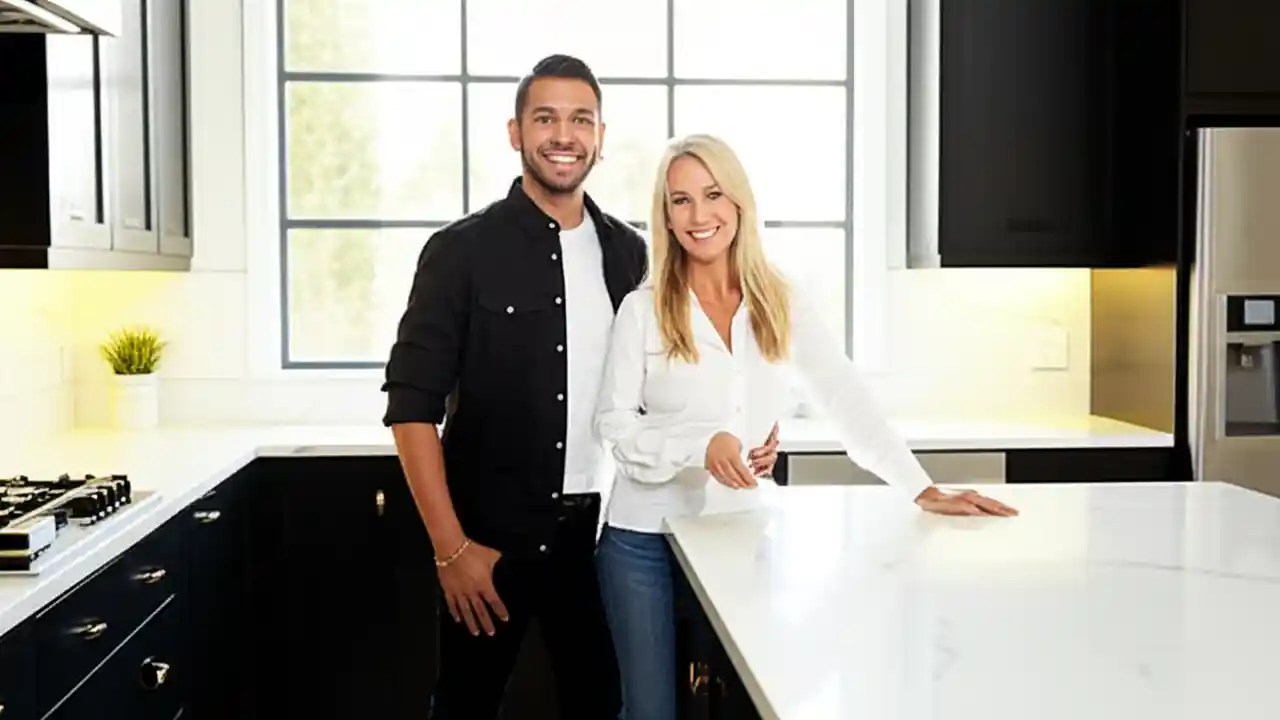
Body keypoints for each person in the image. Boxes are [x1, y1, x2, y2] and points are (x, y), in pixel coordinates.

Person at [592, 133, 1020, 720]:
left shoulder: (780, 300)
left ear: (739, 202)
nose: (698, 215)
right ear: (665, 216)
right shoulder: (642, 309)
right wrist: (700, 445)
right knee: (651, 713)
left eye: (713, 194)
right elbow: (613, 425)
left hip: (737, 532)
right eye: (680, 200)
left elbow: (844, 396)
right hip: (643, 542)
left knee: (743, 702)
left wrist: (920, 487)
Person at [381, 54, 651, 719]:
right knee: (465, 706)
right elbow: (411, 408)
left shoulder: (630, 253)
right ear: (515, 132)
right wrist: (452, 551)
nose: (564, 135)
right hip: (487, 541)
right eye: (546, 118)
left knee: (601, 705)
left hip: (596, 539)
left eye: (580, 119)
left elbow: (663, 384)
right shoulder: (460, 251)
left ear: (600, 136)